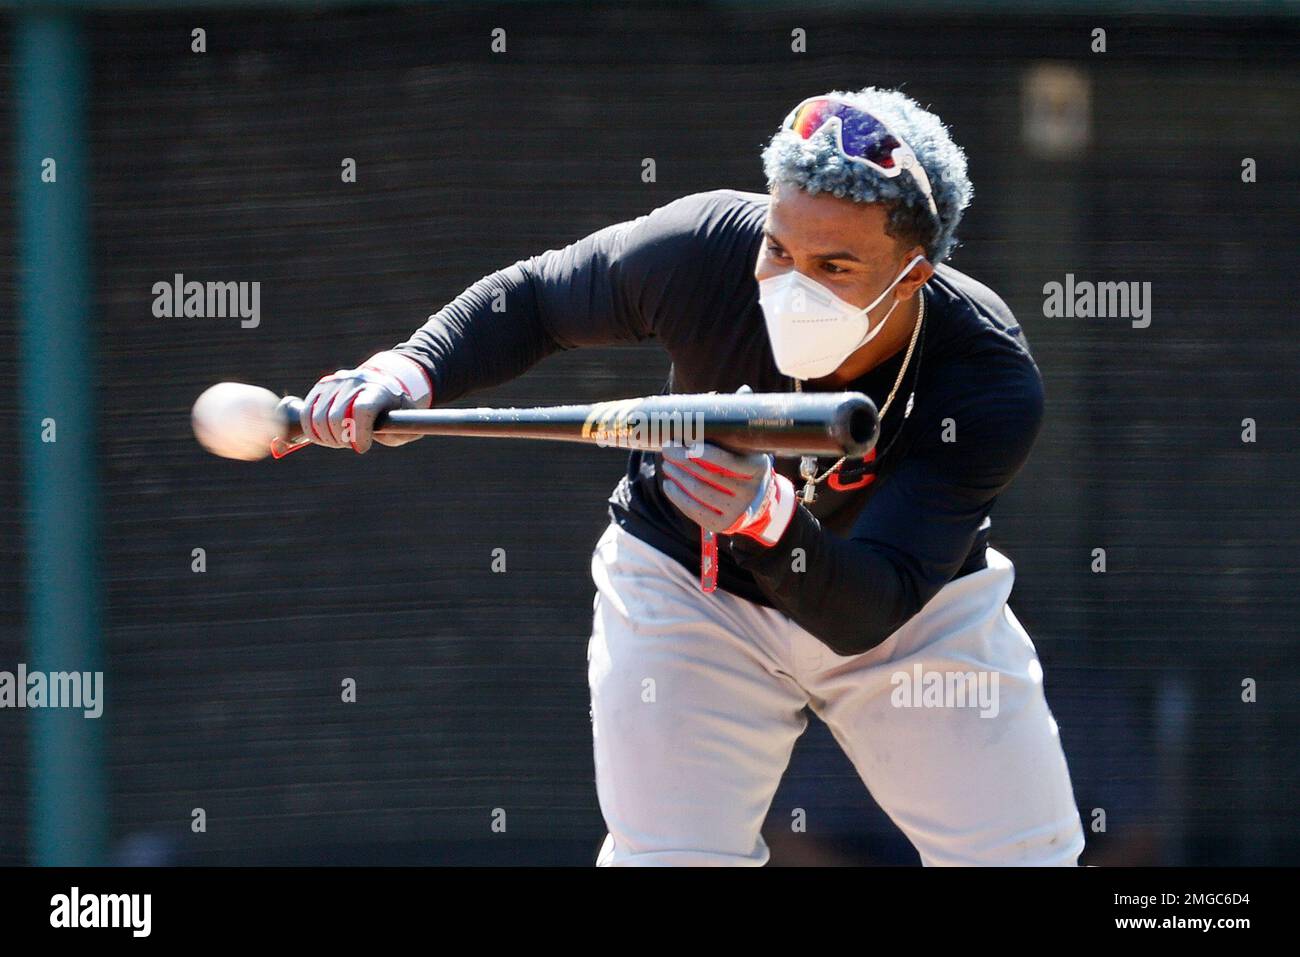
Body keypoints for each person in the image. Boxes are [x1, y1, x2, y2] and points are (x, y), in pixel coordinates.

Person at [297, 87, 1085, 866]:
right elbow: (534, 299)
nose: (790, 282)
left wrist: (769, 518)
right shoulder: (705, 247)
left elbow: (869, 609)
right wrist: (408, 369)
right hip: (691, 583)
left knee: (1021, 861)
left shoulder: (986, 373)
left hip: (901, 610)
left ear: (912, 277)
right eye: (780, 248)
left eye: (834, 264)